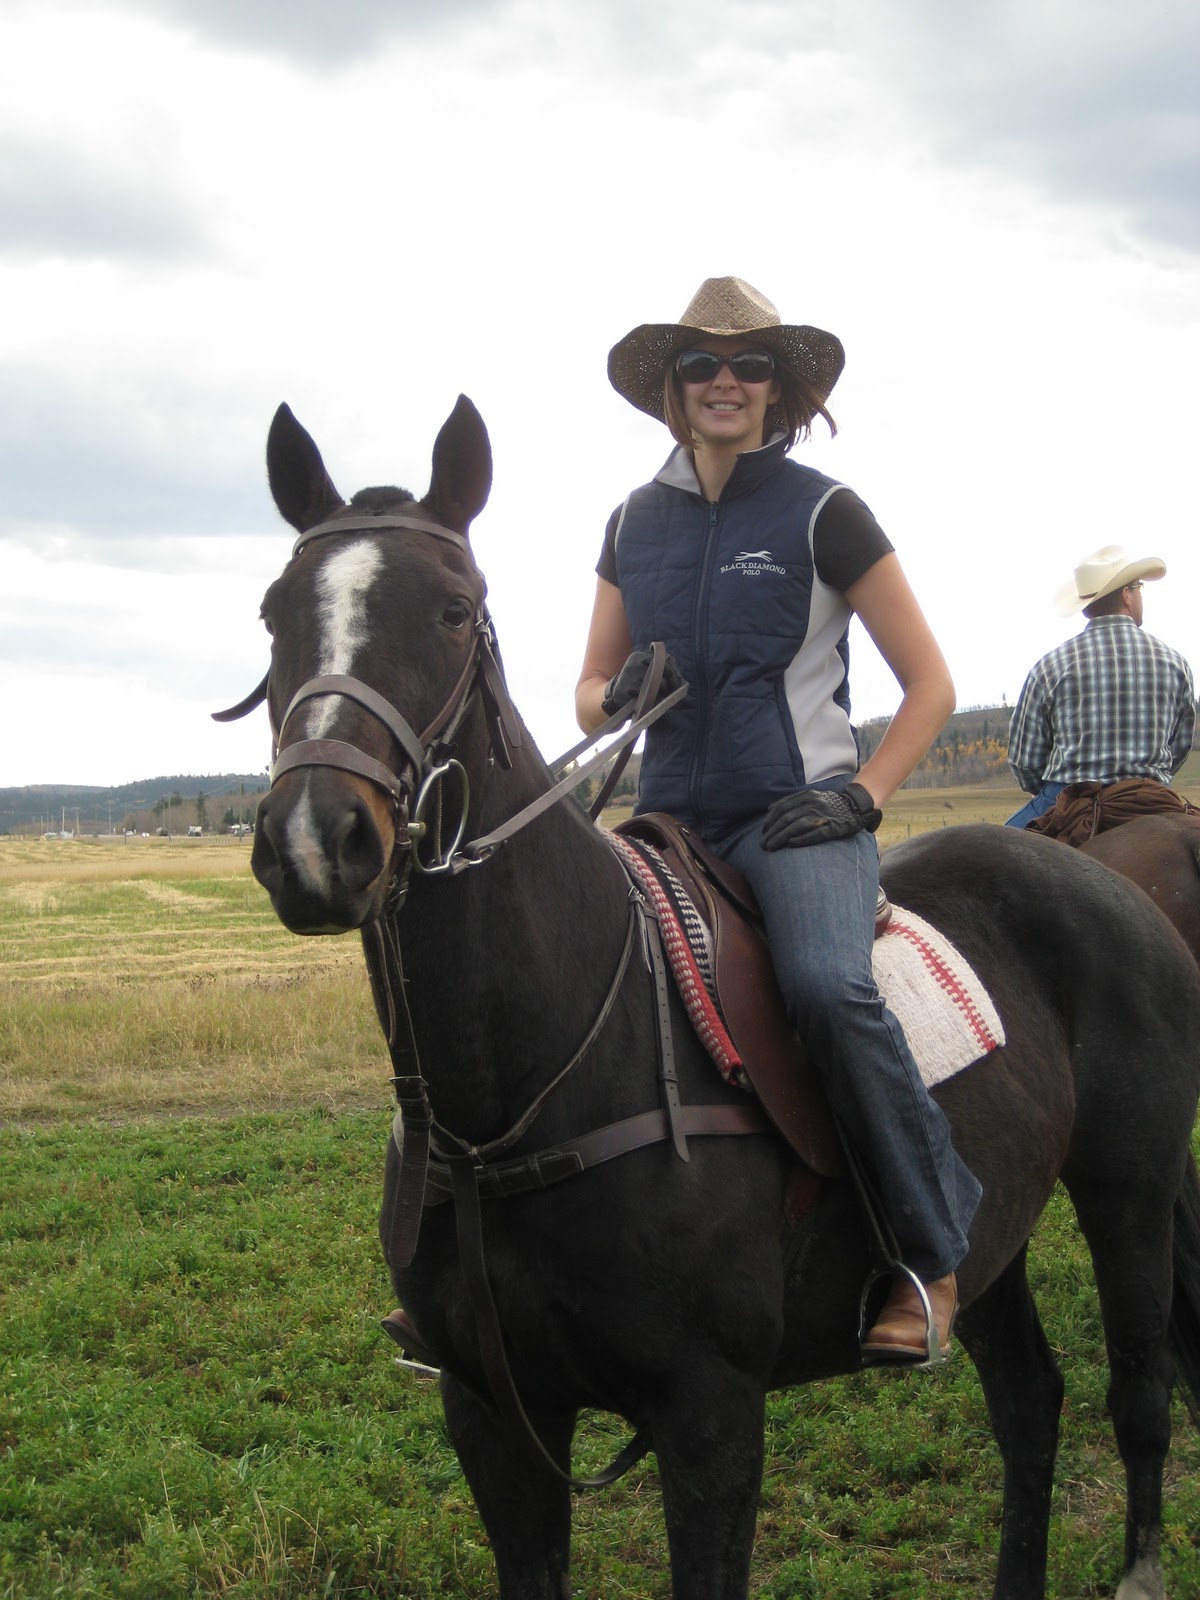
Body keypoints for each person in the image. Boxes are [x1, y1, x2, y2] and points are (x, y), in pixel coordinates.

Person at [575, 275, 981, 1364]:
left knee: (826, 988)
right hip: (669, 820)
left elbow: (931, 682)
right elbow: (587, 687)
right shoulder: (632, 521)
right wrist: (617, 699)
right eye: (702, 362)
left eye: (748, 364)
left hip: (798, 817)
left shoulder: (823, 510)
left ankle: (932, 1256)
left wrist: (864, 794)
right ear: (673, 385)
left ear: (777, 390)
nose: (724, 380)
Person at [1005, 545, 1195, 829]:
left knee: (990, 861)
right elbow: (1179, 747)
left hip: (1069, 797)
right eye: (1139, 587)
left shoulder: (1050, 667)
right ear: (1126, 595)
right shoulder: (1174, 663)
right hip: (1150, 795)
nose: (1140, 594)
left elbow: (1025, 761)